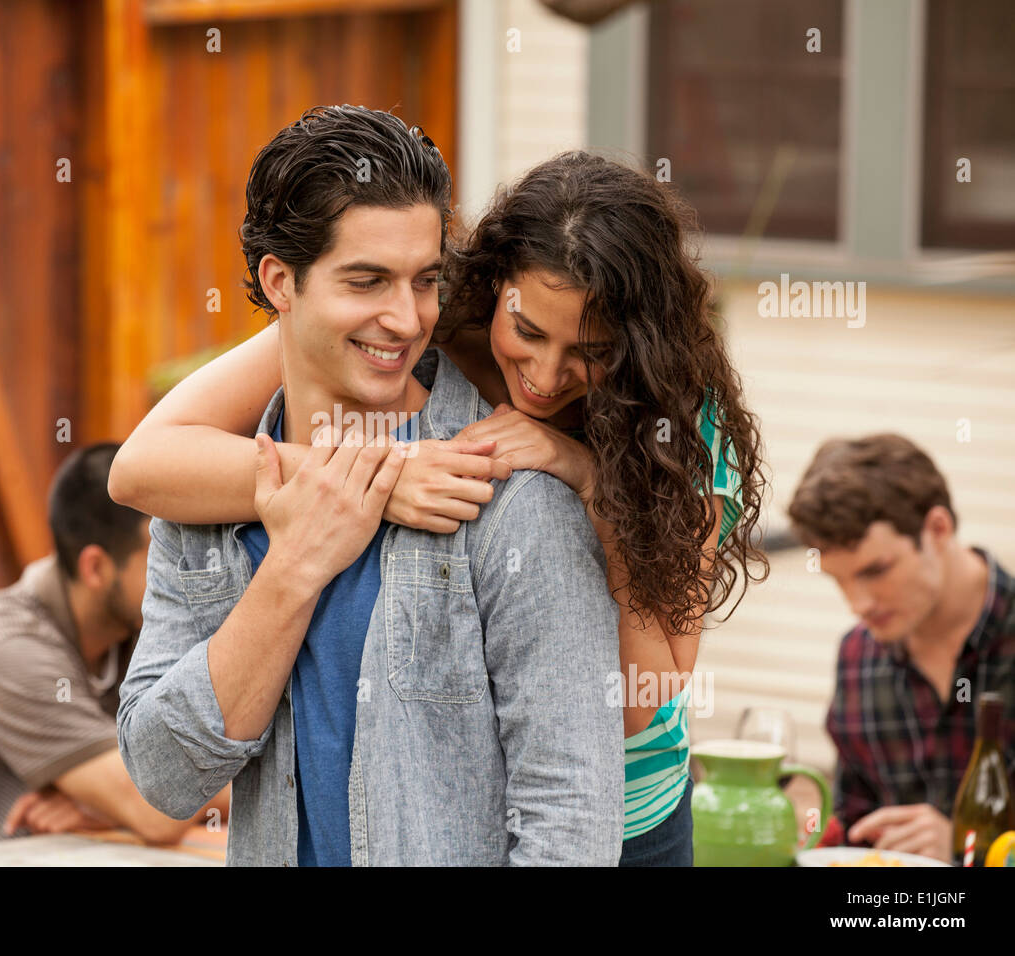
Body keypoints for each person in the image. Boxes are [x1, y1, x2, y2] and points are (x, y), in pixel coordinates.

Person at [111, 147, 767, 865]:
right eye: (527, 332)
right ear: (494, 289)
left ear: (640, 345)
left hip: (633, 812)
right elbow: (144, 465)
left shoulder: (681, 427)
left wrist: (585, 474)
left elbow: (645, 695)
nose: (545, 378)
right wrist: (379, 480)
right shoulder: (416, 320)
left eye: (591, 351)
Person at [0, 444, 226, 866]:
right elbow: (160, 810)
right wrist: (135, 801)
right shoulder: (6, 653)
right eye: (163, 556)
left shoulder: (134, 626)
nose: (181, 572)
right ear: (95, 568)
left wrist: (107, 806)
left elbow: (182, 785)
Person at [788, 433, 1015, 861]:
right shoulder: (857, 658)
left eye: (876, 570)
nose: (858, 604)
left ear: (937, 529)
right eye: (839, 580)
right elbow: (855, 831)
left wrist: (970, 846)